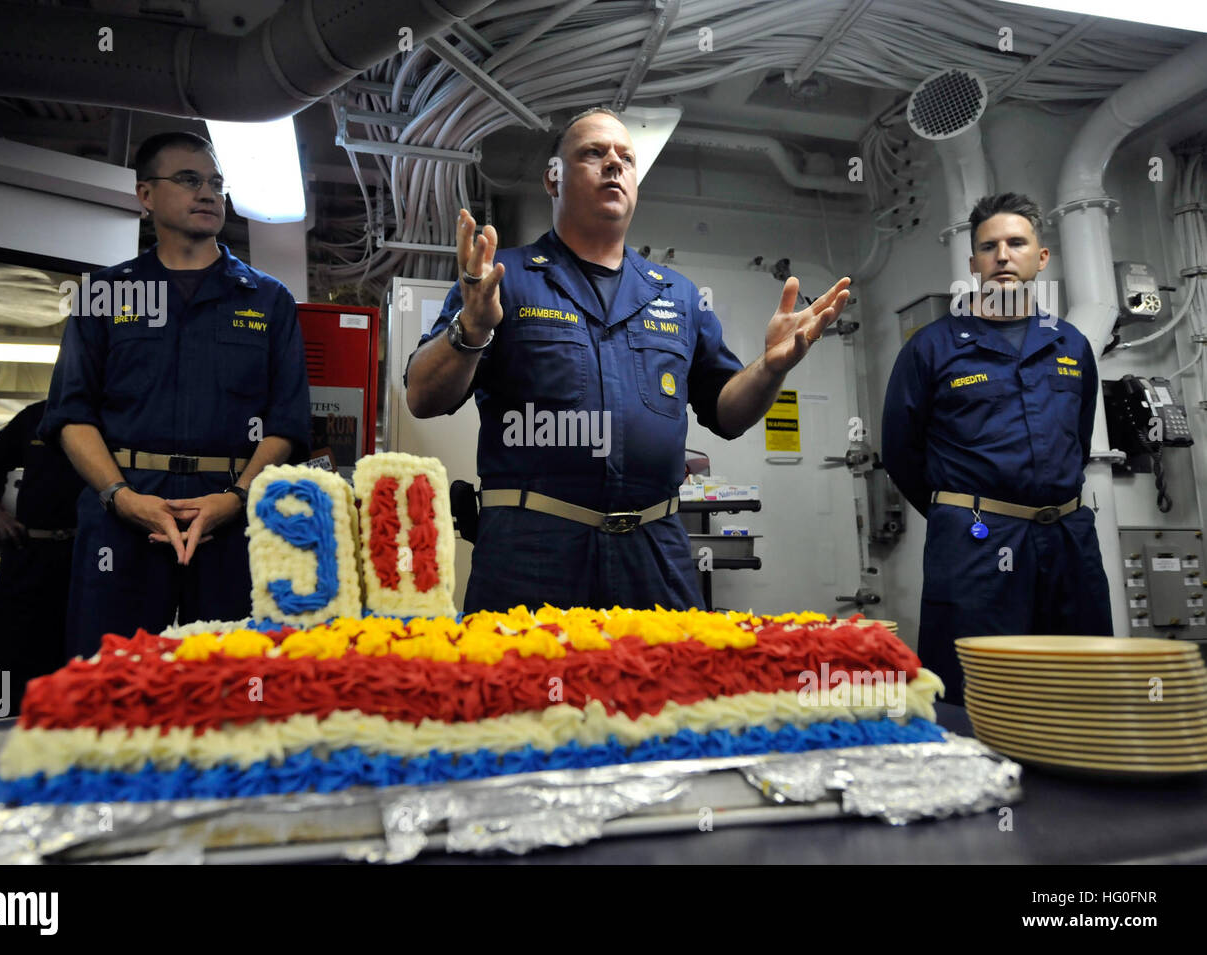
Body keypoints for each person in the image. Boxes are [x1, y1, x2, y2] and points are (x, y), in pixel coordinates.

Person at [405, 107, 850, 613]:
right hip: (531, 549)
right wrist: (473, 329)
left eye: (626, 158)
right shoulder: (505, 276)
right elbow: (422, 396)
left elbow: (727, 413)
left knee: (668, 689)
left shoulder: (678, 296)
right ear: (553, 178)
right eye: (593, 153)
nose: (614, 164)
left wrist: (770, 368)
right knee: (527, 690)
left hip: (655, 551)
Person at [41, 131, 311, 658]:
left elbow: (288, 423)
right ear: (146, 196)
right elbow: (71, 415)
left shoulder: (268, 299)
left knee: (232, 686)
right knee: (113, 684)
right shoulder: (104, 295)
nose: (208, 193)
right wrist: (123, 499)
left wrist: (235, 500)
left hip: (232, 520)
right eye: (189, 180)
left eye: (215, 183)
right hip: (123, 515)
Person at [881, 192, 1113, 705]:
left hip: (1068, 539)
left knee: (1084, 683)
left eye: (1016, 243)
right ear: (973, 263)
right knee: (974, 687)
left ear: (1041, 257)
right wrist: (962, 512)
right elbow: (899, 452)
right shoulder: (932, 346)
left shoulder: (1070, 343)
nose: (1003, 255)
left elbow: (1077, 432)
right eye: (989, 246)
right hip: (977, 543)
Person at [0, 399, 84, 705]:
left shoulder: (113, 416)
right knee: (13, 655)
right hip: (27, 554)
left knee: (77, 658)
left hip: (86, 559)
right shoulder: (35, 415)